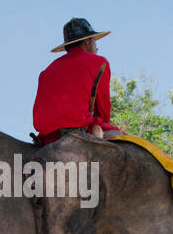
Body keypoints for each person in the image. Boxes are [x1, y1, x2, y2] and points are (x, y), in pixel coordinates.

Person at [32, 17, 121, 145]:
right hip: (79, 128)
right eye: (95, 42)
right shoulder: (99, 62)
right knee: (125, 142)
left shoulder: (47, 70)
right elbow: (103, 112)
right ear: (87, 42)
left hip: (47, 136)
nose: (96, 47)